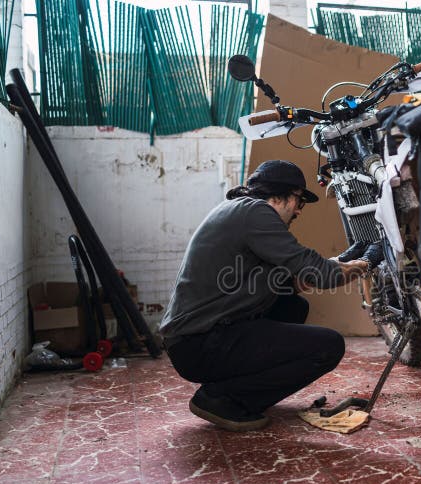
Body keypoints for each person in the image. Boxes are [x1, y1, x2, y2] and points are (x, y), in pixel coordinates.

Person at [159, 160, 370, 431]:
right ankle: (222, 398)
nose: (299, 211)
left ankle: (237, 387)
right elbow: (320, 273)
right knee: (329, 346)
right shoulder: (257, 213)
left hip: (196, 339)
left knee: (293, 307)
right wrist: (367, 263)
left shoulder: (240, 211)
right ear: (282, 195)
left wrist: (341, 263)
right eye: (299, 201)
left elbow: (291, 281)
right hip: (199, 345)